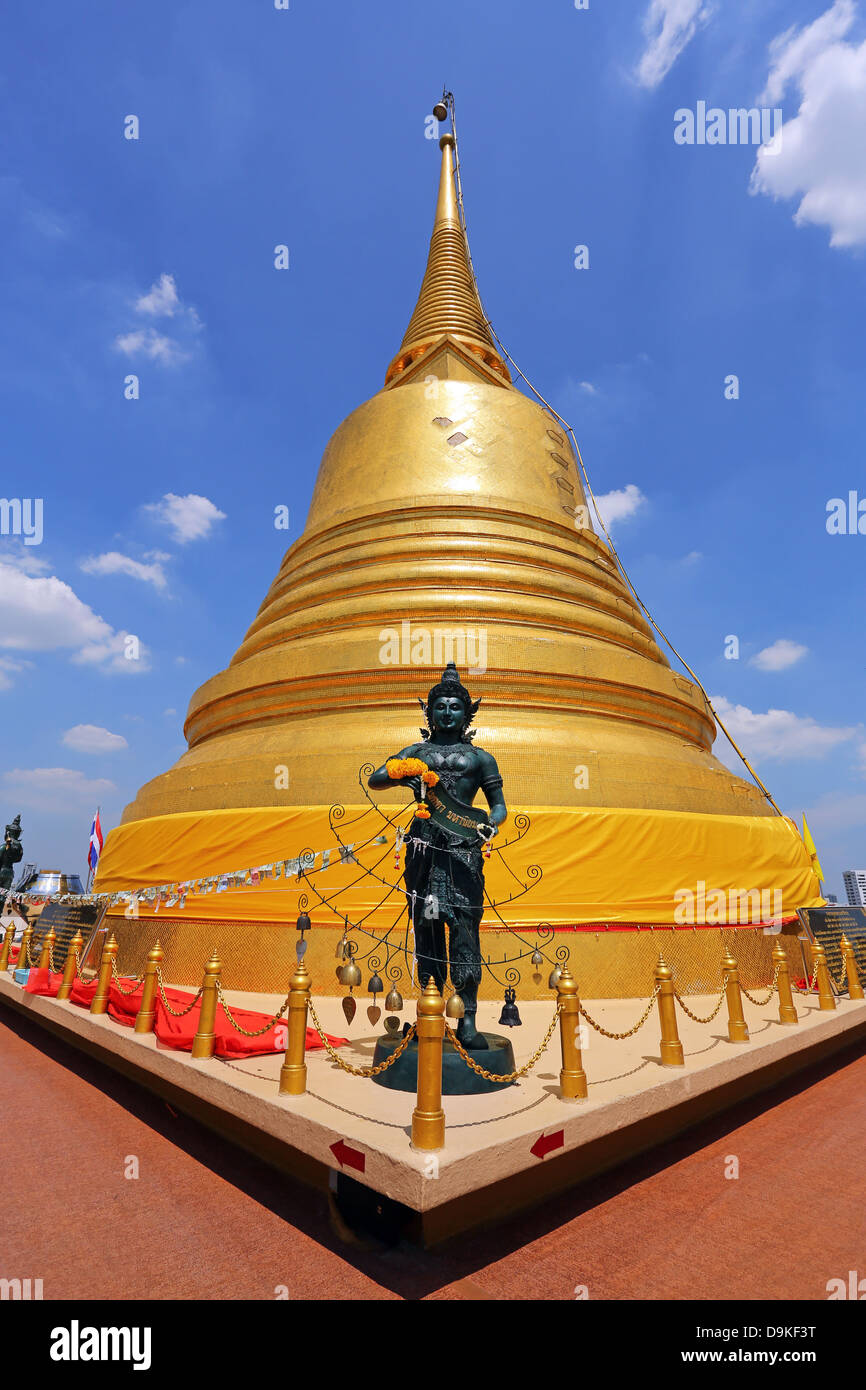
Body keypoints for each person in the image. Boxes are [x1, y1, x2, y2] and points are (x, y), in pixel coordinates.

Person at [368, 664, 506, 1049]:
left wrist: (489, 826)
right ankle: (428, 1017)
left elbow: (498, 807)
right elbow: (375, 778)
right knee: (427, 931)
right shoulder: (416, 753)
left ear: (467, 713)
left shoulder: (480, 759)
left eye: (455, 706)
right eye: (440, 706)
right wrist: (401, 775)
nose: (447, 712)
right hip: (424, 850)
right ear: (429, 713)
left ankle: (468, 1021)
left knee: (464, 932)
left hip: (463, 853)